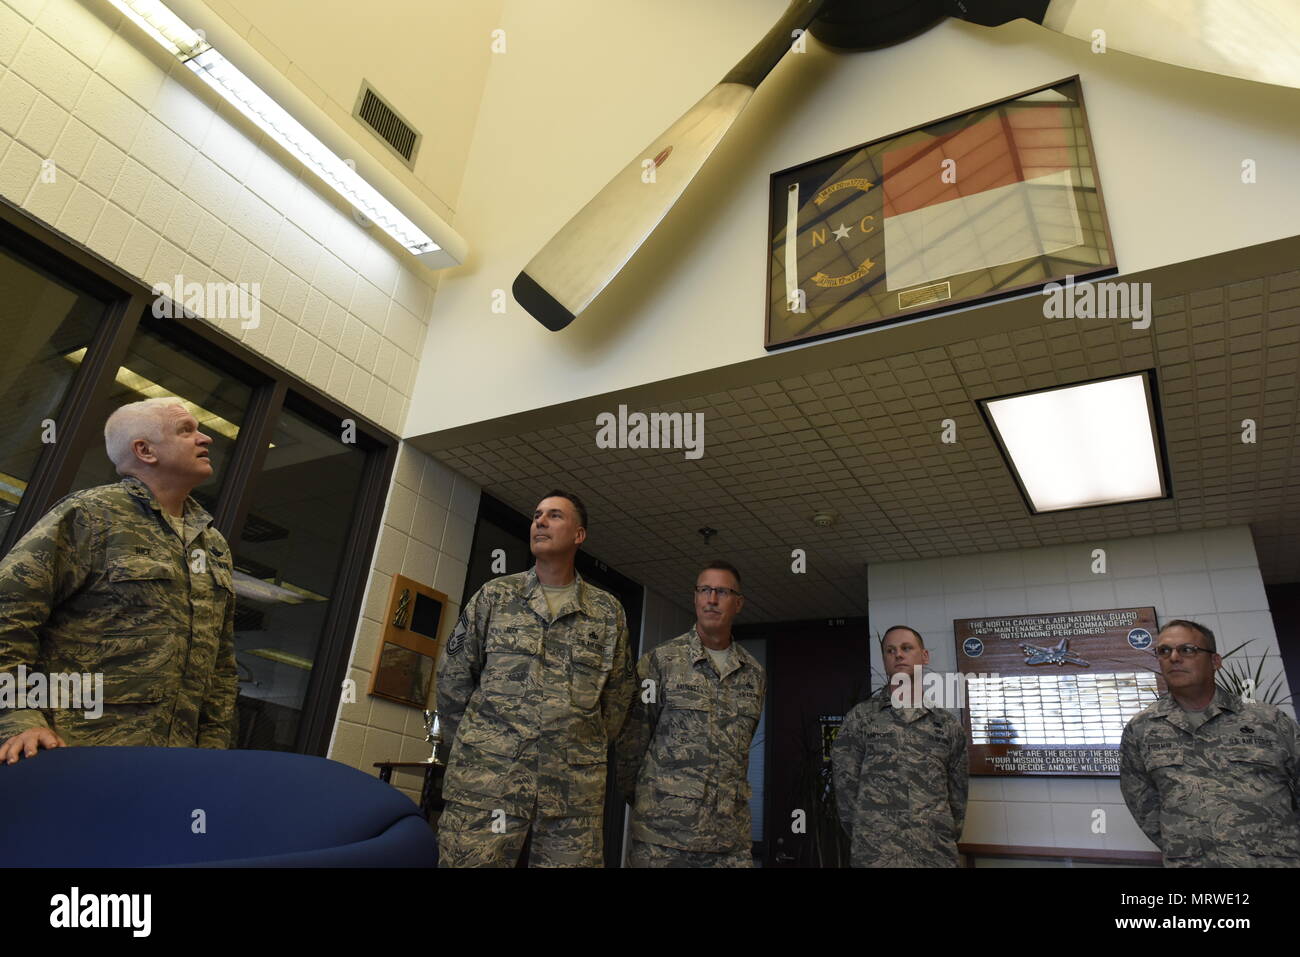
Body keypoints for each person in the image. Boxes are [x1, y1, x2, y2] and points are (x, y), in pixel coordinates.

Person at [0, 397, 238, 764]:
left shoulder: (213, 544)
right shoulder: (91, 516)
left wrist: (213, 756)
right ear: (144, 450)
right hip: (72, 756)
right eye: (186, 430)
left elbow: (220, 664)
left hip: (176, 769)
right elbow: (8, 617)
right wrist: (18, 719)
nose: (205, 439)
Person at [435, 490, 634, 867]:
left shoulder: (607, 613)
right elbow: (453, 681)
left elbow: (618, 701)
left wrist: (573, 744)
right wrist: (483, 746)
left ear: (579, 535)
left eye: (554, 516)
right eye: (537, 515)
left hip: (571, 796)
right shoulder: (495, 596)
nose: (540, 521)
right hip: (488, 784)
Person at [617, 560, 765, 867]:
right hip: (663, 839)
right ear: (695, 597)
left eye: (722, 592)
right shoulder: (660, 662)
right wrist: (656, 802)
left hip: (728, 840)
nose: (711, 599)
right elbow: (631, 745)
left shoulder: (754, 674)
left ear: (738, 603)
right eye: (704, 590)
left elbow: (741, 746)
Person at [1120, 619, 1300, 867]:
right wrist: (1188, 846)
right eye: (1164, 651)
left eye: (1187, 650)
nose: (1174, 657)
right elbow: (1143, 804)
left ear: (1215, 662)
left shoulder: (1268, 720)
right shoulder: (1141, 729)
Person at [831, 625, 968, 867]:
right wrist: (872, 832)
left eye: (906, 648)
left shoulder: (946, 724)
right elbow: (845, 788)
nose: (899, 655)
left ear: (924, 656)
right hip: (876, 854)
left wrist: (938, 833)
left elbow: (957, 795)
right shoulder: (861, 719)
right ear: (884, 659)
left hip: (934, 854)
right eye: (890, 650)